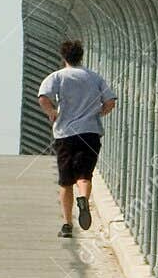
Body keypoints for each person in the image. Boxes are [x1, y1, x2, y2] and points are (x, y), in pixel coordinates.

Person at [36, 40, 118, 238]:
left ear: (63, 57)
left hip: (65, 133)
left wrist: (52, 113)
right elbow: (110, 101)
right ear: (81, 56)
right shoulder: (94, 77)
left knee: (65, 181)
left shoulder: (57, 77)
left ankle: (66, 224)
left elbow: (43, 97)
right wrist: (98, 113)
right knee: (84, 174)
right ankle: (84, 198)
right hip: (89, 132)